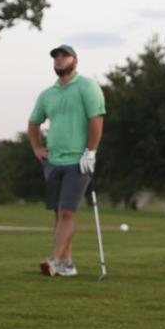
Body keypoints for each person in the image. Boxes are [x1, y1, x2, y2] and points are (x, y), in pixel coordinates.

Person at [27, 44, 106, 277]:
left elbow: (96, 120)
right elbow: (33, 122)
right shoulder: (47, 94)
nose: (59, 59)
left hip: (78, 161)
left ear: (75, 61)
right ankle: (67, 263)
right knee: (59, 214)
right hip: (53, 161)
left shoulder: (87, 87)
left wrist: (91, 151)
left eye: (64, 56)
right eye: (56, 57)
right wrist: (36, 147)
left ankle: (54, 260)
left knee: (67, 213)